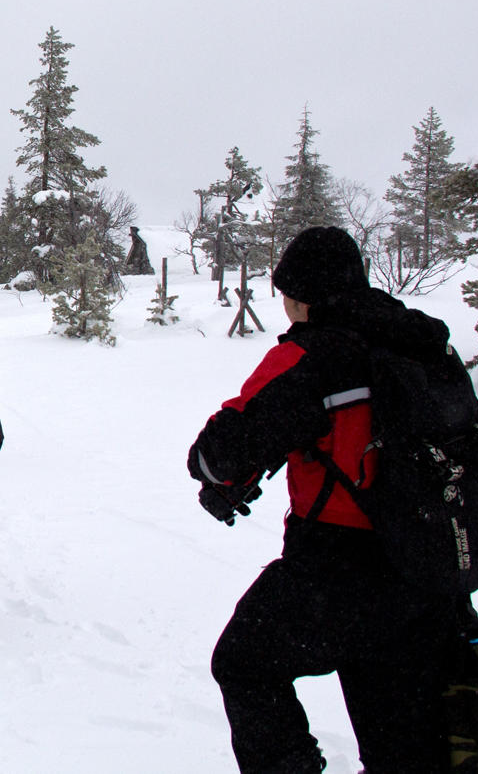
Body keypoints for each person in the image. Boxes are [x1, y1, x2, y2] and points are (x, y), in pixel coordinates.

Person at [186, 226, 461, 773]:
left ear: (300, 296)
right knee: (401, 744)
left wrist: (224, 475)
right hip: (435, 564)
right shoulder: (424, 346)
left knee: (244, 664)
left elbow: (218, 454)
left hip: (337, 567)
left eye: (285, 295)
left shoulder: (313, 356)